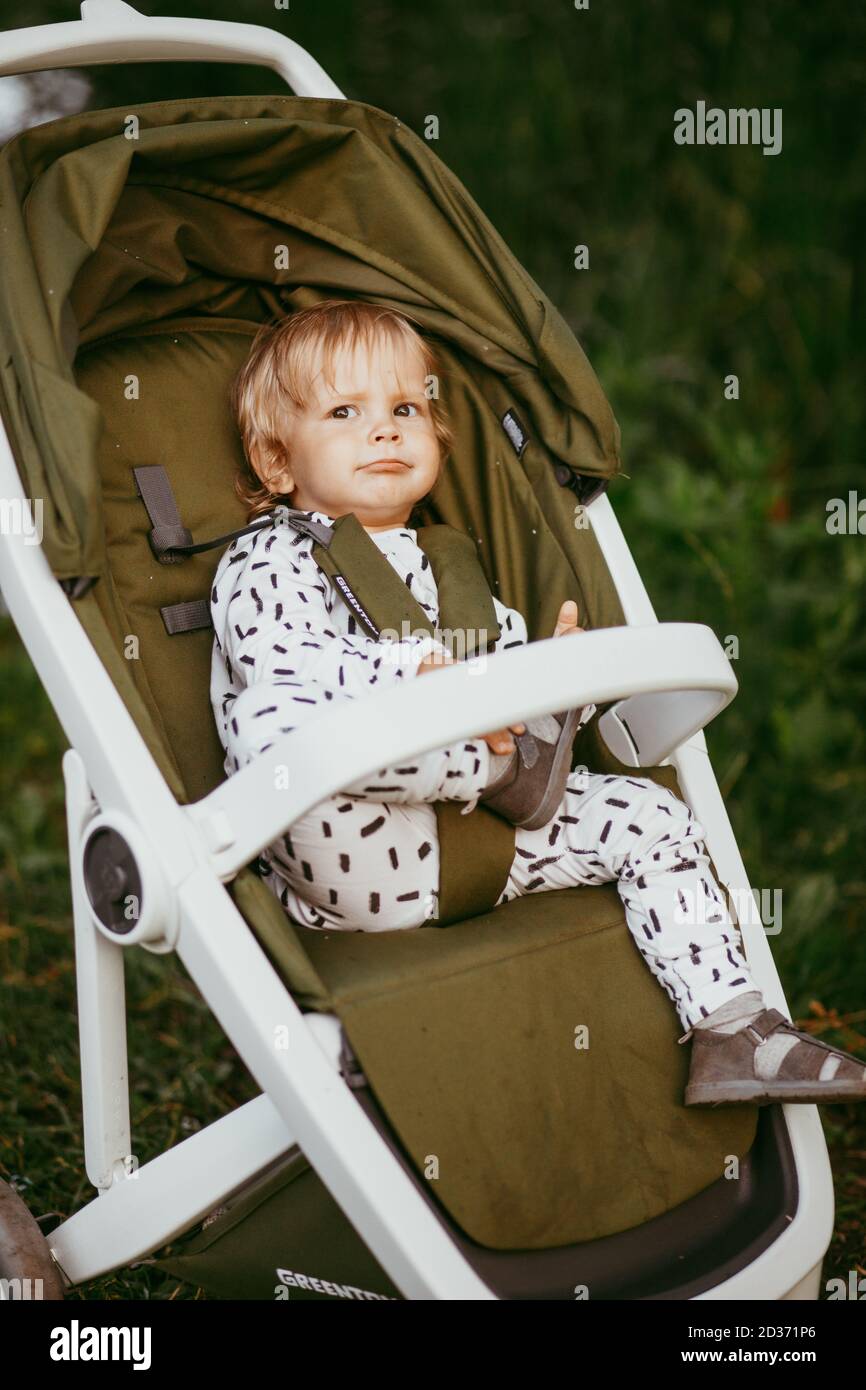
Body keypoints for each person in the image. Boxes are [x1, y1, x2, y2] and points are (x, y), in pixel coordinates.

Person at [209, 297, 866, 1107]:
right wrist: (415, 675)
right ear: (278, 462)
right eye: (346, 411)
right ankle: (497, 767)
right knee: (272, 722)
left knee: (649, 816)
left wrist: (551, 680)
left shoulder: (449, 564)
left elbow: (502, 668)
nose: (384, 429)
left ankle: (735, 1031)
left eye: (406, 409)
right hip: (350, 846)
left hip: (486, 843)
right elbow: (285, 668)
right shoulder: (271, 560)